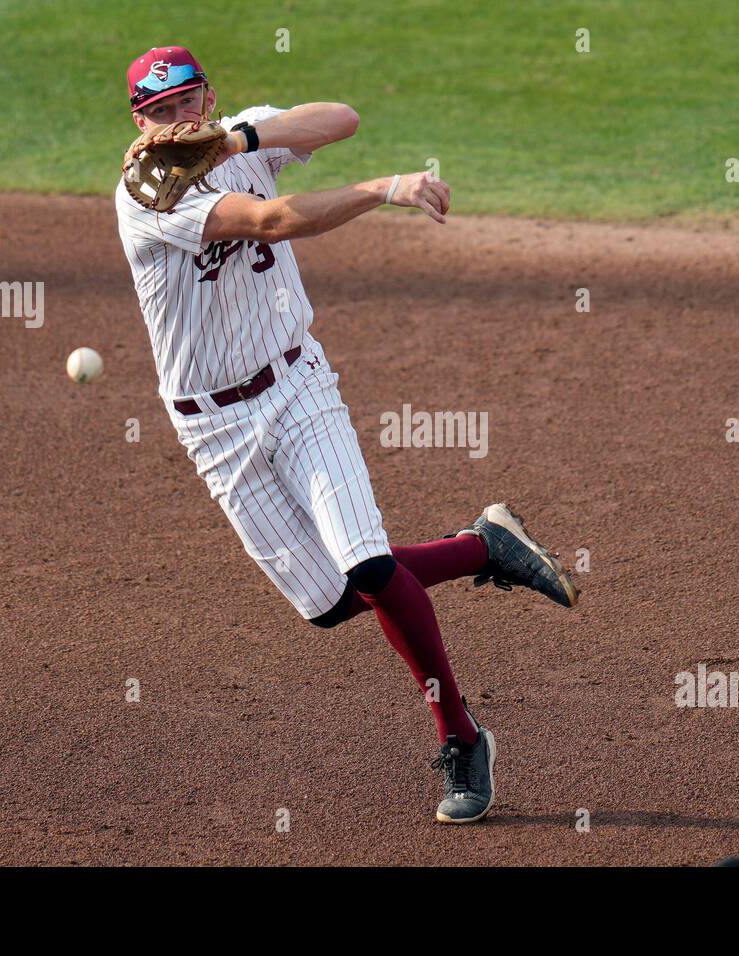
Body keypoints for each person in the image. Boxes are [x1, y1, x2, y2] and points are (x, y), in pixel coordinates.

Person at [114, 46, 578, 824]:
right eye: (160, 112)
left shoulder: (240, 136)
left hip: (297, 385)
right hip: (215, 427)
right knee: (329, 604)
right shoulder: (146, 195)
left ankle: (462, 737)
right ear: (138, 123)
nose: (177, 120)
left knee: (365, 564)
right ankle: (483, 548)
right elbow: (270, 221)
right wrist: (381, 190)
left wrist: (236, 140)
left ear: (208, 96)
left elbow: (343, 119)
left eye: (188, 102)